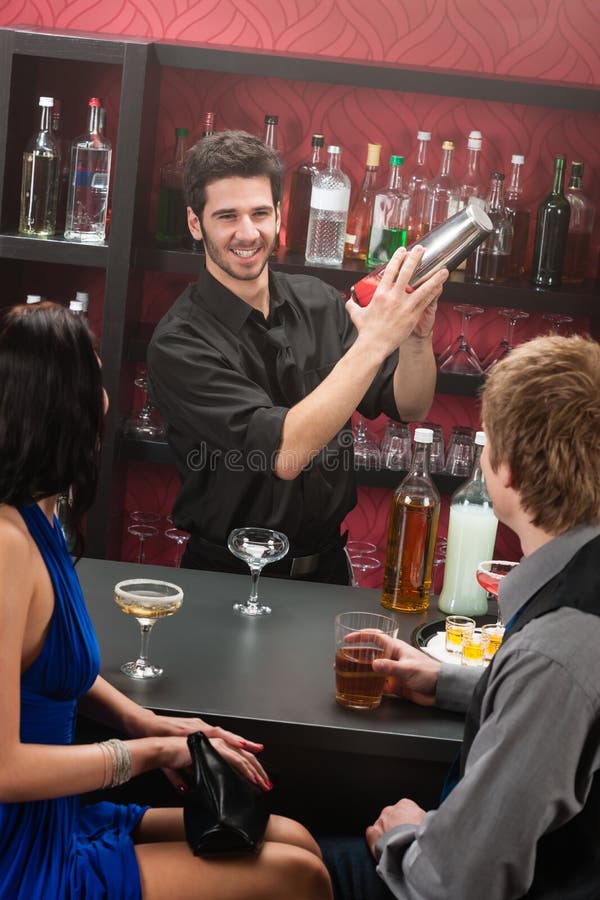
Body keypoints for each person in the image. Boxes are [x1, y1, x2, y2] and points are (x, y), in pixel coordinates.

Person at [0, 302, 332, 900]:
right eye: (95, 380)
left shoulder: (41, 516)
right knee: (298, 876)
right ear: (60, 405)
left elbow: (48, 669)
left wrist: (146, 719)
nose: (106, 401)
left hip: (58, 816)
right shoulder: (5, 546)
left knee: (296, 838)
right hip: (21, 853)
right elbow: (4, 770)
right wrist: (150, 751)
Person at [322, 333, 600, 899]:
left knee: (293, 860)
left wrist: (403, 835)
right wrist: (446, 682)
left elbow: (454, 883)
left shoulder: (553, 652)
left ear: (508, 470)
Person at [147, 130, 448, 583]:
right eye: (227, 216)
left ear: (278, 214)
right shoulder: (180, 343)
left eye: (260, 213)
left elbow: (411, 404)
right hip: (227, 575)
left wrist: (415, 340)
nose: (247, 233)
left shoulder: (319, 301)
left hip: (328, 571)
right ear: (195, 223)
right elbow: (285, 455)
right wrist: (374, 341)